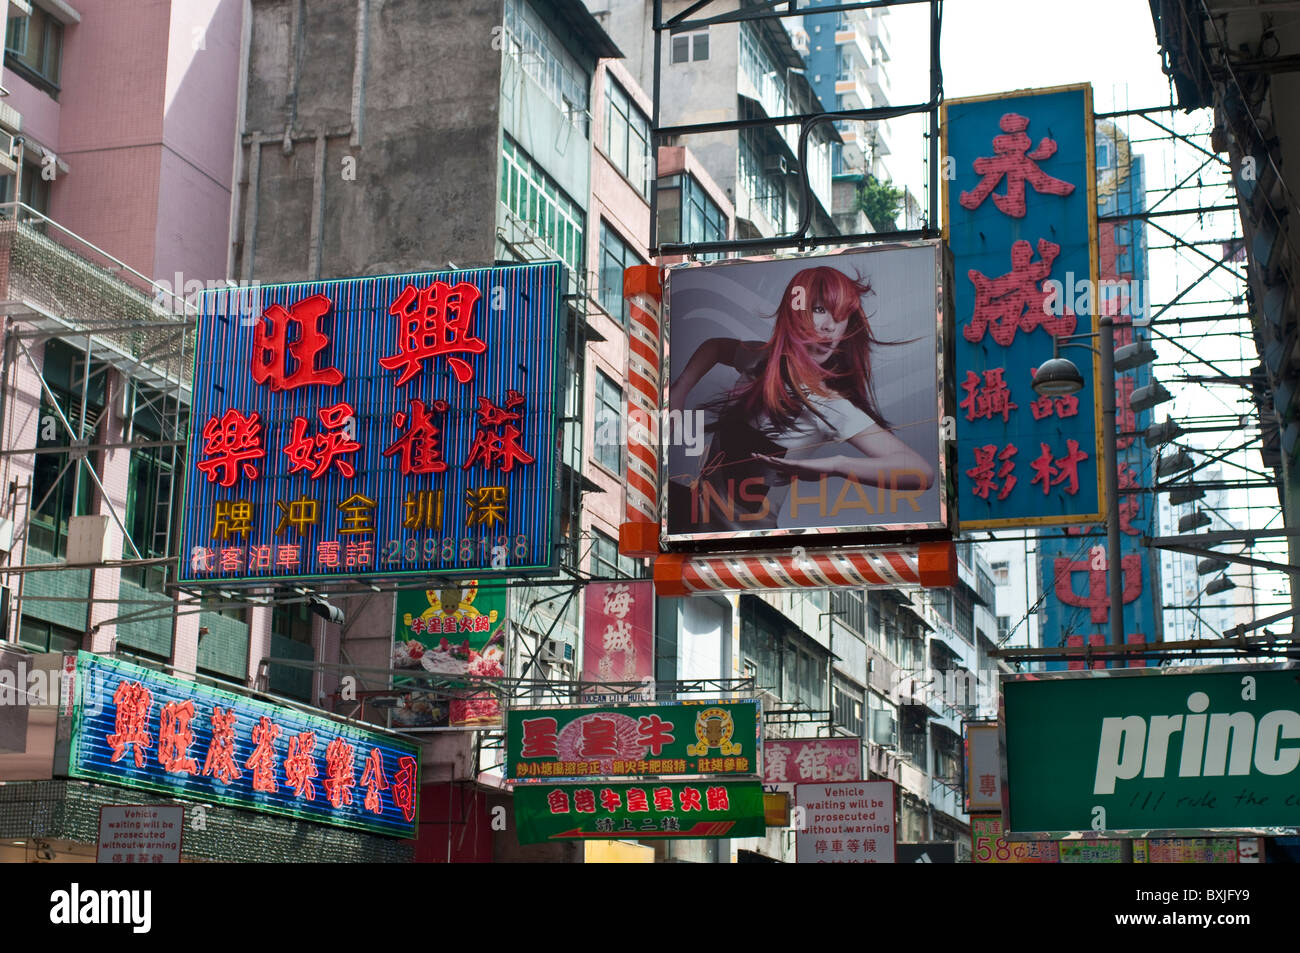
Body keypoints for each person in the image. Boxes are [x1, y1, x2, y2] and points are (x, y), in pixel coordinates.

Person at [668, 264, 934, 532]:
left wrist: (837, 466)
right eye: (819, 309)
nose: (830, 326)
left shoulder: (831, 406)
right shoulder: (761, 361)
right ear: (794, 312)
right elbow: (715, 347)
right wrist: (681, 388)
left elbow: (920, 472)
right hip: (693, 522)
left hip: (740, 546)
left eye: (841, 316)